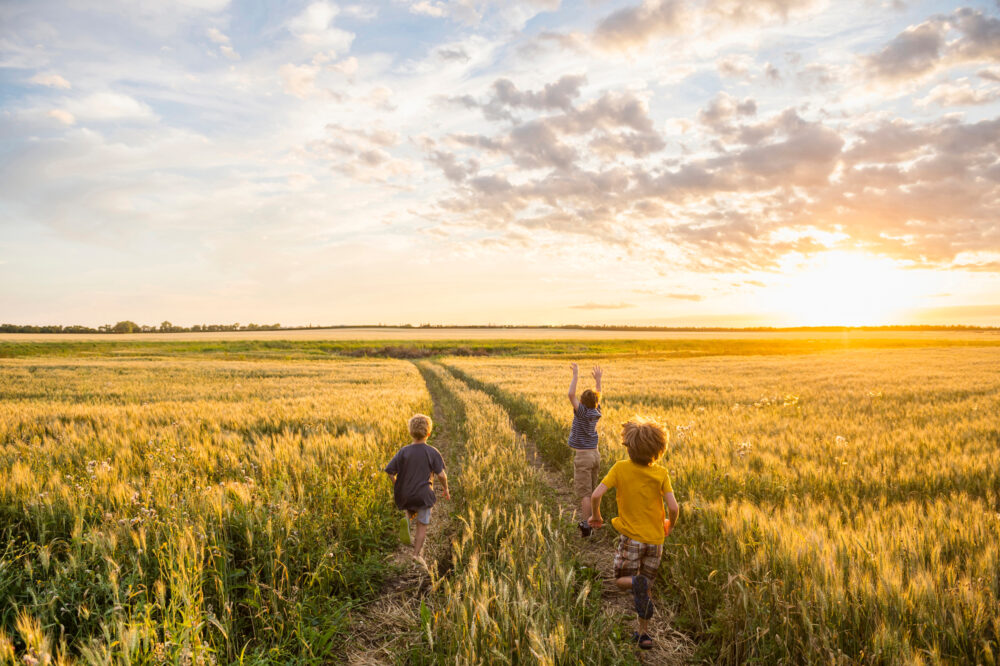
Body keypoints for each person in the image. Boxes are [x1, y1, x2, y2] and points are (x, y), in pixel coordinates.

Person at [589, 418, 679, 651]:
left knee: (622, 581)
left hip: (632, 539)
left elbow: (596, 495)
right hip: (656, 540)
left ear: (628, 446)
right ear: (659, 450)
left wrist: (596, 516)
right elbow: (674, 507)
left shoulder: (620, 468)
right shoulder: (661, 473)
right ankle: (644, 635)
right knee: (646, 588)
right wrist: (670, 525)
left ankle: (636, 584)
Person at [385, 413, 450, 558]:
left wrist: (398, 485)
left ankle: (407, 519)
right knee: (422, 526)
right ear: (429, 432)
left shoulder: (403, 451)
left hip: (406, 493)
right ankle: (416, 555)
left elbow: (390, 471)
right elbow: (441, 475)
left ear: (410, 432)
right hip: (424, 494)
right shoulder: (432, 452)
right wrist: (446, 488)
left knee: (410, 508)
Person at [568, 363, 602, 537]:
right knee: (594, 491)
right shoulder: (596, 411)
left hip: (583, 457)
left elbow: (570, 394)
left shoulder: (581, 412)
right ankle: (595, 521)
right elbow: (599, 397)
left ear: (581, 403)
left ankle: (587, 526)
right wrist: (598, 380)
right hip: (595, 454)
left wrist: (575, 374)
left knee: (586, 494)